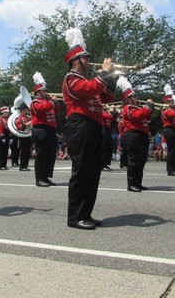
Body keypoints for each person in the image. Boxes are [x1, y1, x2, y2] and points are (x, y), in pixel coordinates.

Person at [62, 27, 118, 230]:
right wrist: (103, 73)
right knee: (81, 171)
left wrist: (111, 78)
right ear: (75, 60)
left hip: (93, 126)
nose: (89, 61)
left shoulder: (88, 79)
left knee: (93, 172)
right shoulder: (71, 79)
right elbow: (88, 90)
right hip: (79, 126)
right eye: (86, 58)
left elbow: (105, 97)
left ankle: (86, 213)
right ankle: (75, 216)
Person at [117, 76, 154, 192]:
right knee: (134, 160)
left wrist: (147, 108)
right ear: (128, 99)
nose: (136, 98)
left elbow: (146, 117)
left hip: (141, 134)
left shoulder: (137, 107)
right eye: (133, 96)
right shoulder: (128, 107)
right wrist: (147, 107)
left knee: (141, 160)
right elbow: (137, 116)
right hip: (133, 134)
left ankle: (138, 182)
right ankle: (131, 184)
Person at [30, 72, 59, 186]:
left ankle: (46, 177)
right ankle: (39, 179)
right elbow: (40, 110)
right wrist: (52, 101)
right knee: (41, 155)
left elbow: (56, 111)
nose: (45, 92)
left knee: (50, 155)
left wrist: (54, 102)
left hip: (51, 129)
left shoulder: (47, 102)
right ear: (38, 92)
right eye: (43, 91)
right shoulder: (35, 102)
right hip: (41, 130)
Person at [161, 85, 175, 176]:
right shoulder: (165, 109)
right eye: (171, 101)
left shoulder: (174, 109)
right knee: (172, 150)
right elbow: (172, 115)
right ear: (167, 102)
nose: (173, 103)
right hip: (169, 130)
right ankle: (170, 170)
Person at [14, 105, 32, 171]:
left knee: (27, 152)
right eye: (25, 109)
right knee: (23, 152)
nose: (26, 110)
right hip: (22, 136)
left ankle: (25, 165)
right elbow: (18, 127)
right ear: (22, 110)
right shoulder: (19, 118)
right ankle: (22, 166)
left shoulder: (28, 117)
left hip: (28, 135)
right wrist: (27, 124)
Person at [101, 106, 113, 171]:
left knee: (108, 147)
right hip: (103, 129)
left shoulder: (107, 113)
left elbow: (112, 118)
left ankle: (106, 163)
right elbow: (107, 117)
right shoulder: (102, 113)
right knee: (104, 146)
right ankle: (101, 164)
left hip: (107, 129)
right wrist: (109, 111)